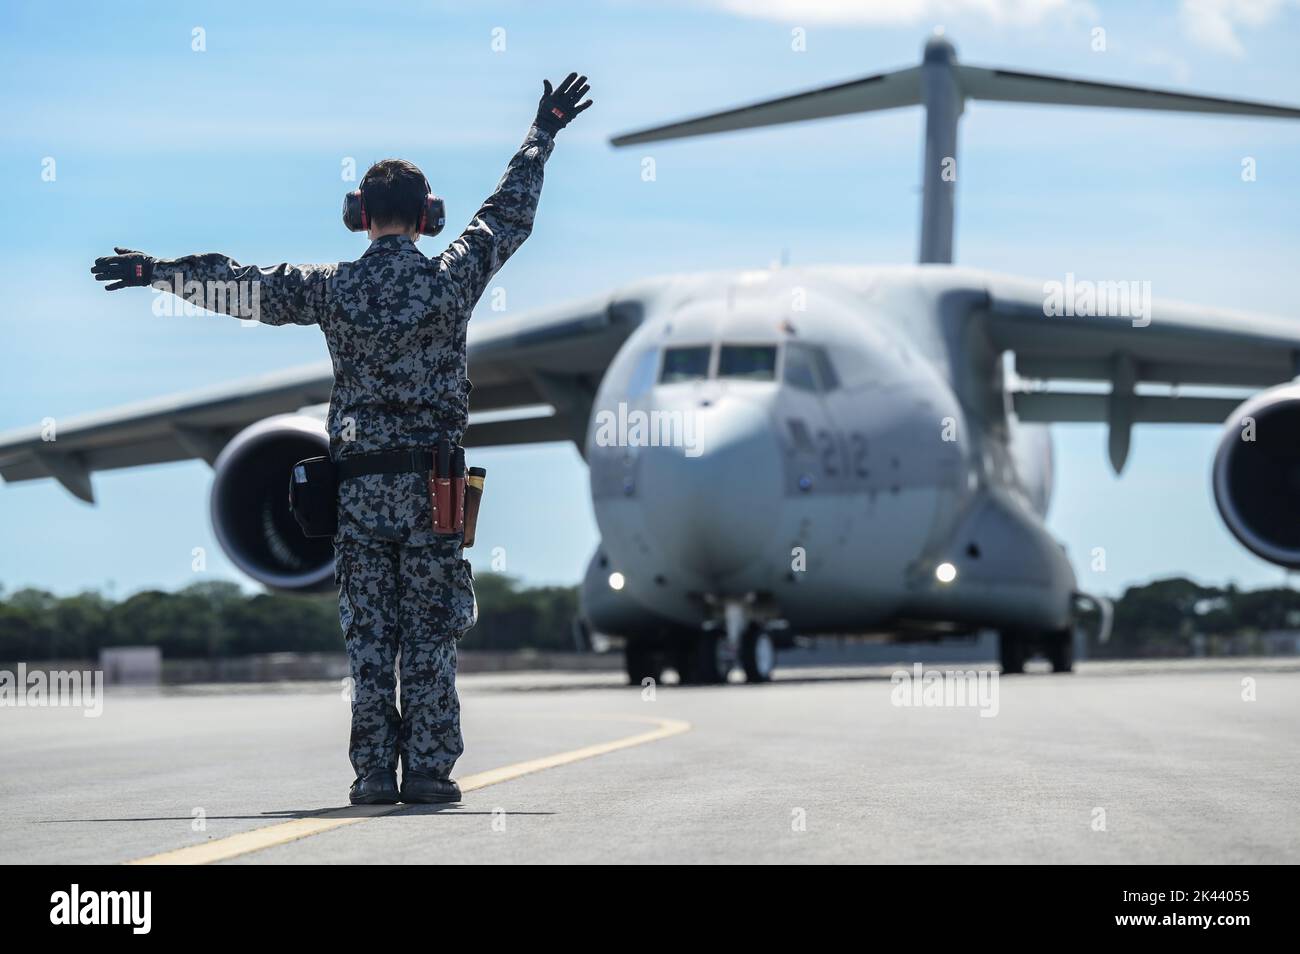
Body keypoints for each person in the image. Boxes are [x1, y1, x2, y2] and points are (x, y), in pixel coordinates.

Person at [91, 73, 594, 805]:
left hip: (357, 493)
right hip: (433, 492)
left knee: (369, 644)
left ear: (359, 217)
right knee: (429, 637)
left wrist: (155, 273)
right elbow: (505, 216)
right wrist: (541, 131)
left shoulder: (331, 288)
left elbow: (244, 287)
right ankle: (426, 773)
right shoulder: (452, 279)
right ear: (427, 217)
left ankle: (370, 776)